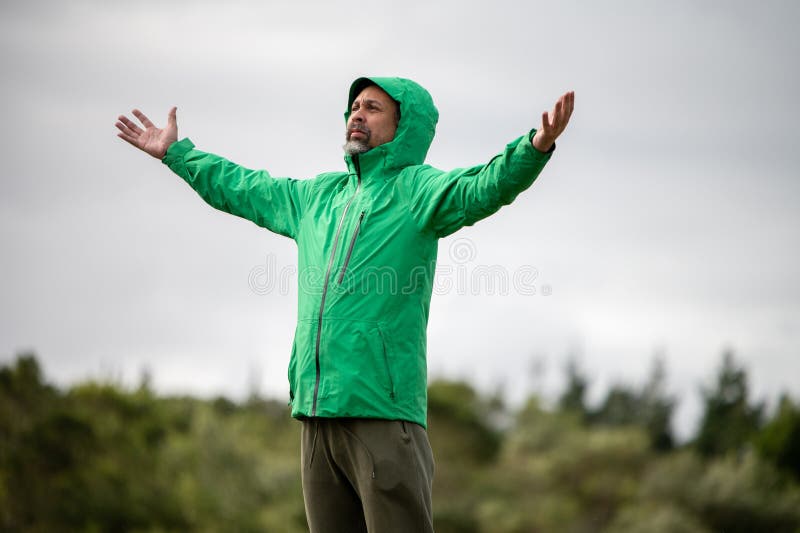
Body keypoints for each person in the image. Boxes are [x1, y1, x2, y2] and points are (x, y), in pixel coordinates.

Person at [116, 77, 574, 533]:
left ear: (404, 127)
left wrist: (533, 149)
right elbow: (242, 187)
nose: (357, 114)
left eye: (373, 108)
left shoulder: (417, 191)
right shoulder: (316, 197)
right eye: (355, 106)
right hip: (316, 417)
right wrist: (177, 155)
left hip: (382, 415)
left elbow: (482, 187)